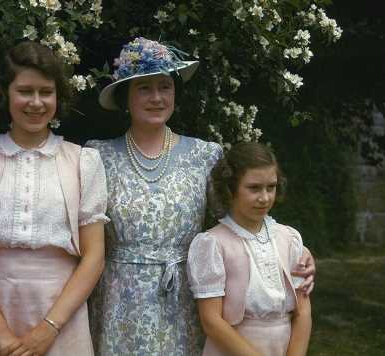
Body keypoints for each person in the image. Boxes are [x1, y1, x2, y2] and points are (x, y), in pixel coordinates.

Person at [85, 38, 315, 355]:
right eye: (144, 88)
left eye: (164, 86)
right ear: (126, 96)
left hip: (188, 298)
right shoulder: (97, 155)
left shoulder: (204, 155)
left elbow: (239, 223)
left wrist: (294, 253)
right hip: (118, 298)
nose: (156, 97)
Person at [0, 41, 108, 356]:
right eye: (25, 91)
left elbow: (94, 257)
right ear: (6, 93)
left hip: (61, 307)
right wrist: (1, 335)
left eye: (46, 92)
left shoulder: (82, 162)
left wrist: (49, 328)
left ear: (57, 97)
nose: (36, 102)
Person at [186, 142, 311, 356]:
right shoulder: (213, 244)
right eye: (254, 188)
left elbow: (303, 311)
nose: (264, 198)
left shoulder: (289, 239)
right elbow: (211, 320)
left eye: (271, 187)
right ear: (230, 188)